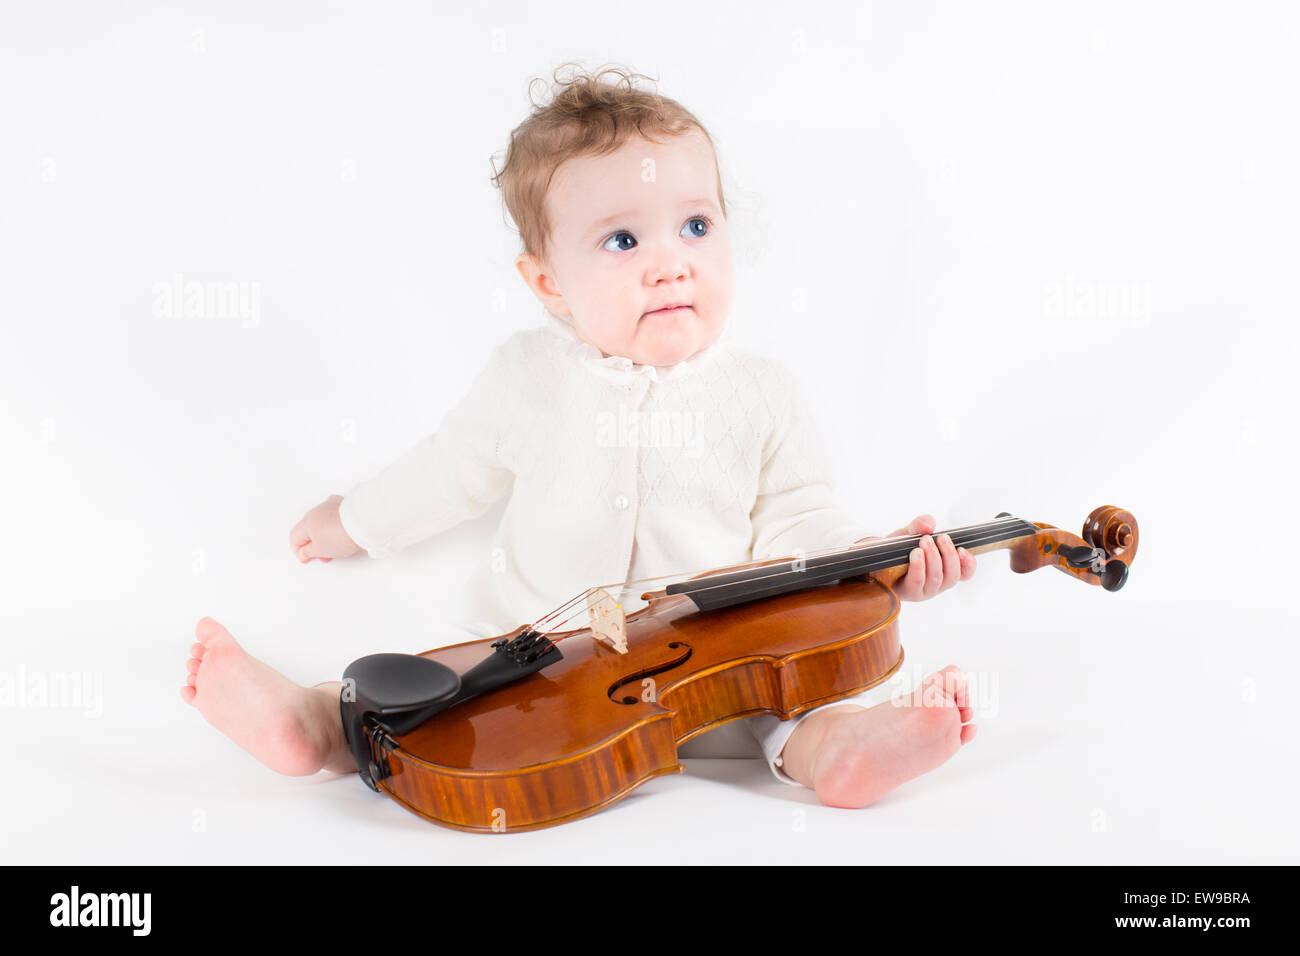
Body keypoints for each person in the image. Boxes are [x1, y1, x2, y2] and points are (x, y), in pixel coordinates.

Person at [183, 63, 977, 810]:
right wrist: (350, 520)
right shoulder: (527, 376)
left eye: (695, 226)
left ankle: (842, 752)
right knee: (433, 686)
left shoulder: (762, 393)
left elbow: (801, 521)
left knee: (789, 709)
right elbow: (448, 471)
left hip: (718, 669)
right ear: (548, 283)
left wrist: (875, 567)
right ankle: (316, 723)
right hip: (540, 655)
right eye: (624, 241)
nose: (670, 265)